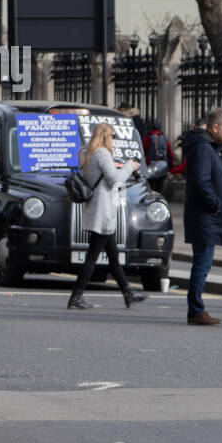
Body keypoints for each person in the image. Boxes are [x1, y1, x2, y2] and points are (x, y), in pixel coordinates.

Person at [68, 123, 147, 311]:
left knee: (112, 257)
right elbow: (115, 179)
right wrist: (129, 166)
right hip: (102, 212)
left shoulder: (87, 153)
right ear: (104, 136)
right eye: (112, 135)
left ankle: (128, 294)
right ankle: (76, 297)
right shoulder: (102, 154)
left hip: (98, 210)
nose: (114, 138)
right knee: (92, 258)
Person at [180, 110, 222, 325]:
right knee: (202, 264)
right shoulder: (203, 148)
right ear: (215, 128)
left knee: (203, 263)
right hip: (205, 217)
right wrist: (217, 205)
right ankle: (195, 310)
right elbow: (201, 182)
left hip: (207, 216)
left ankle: (196, 308)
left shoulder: (210, 148)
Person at [141, 118, 176, 193]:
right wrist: (171, 167)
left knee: (151, 188)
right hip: (163, 166)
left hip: (151, 166)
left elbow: (142, 153)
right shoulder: (165, 138)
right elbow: (170, 155)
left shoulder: (147, 138)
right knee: (159, 188)